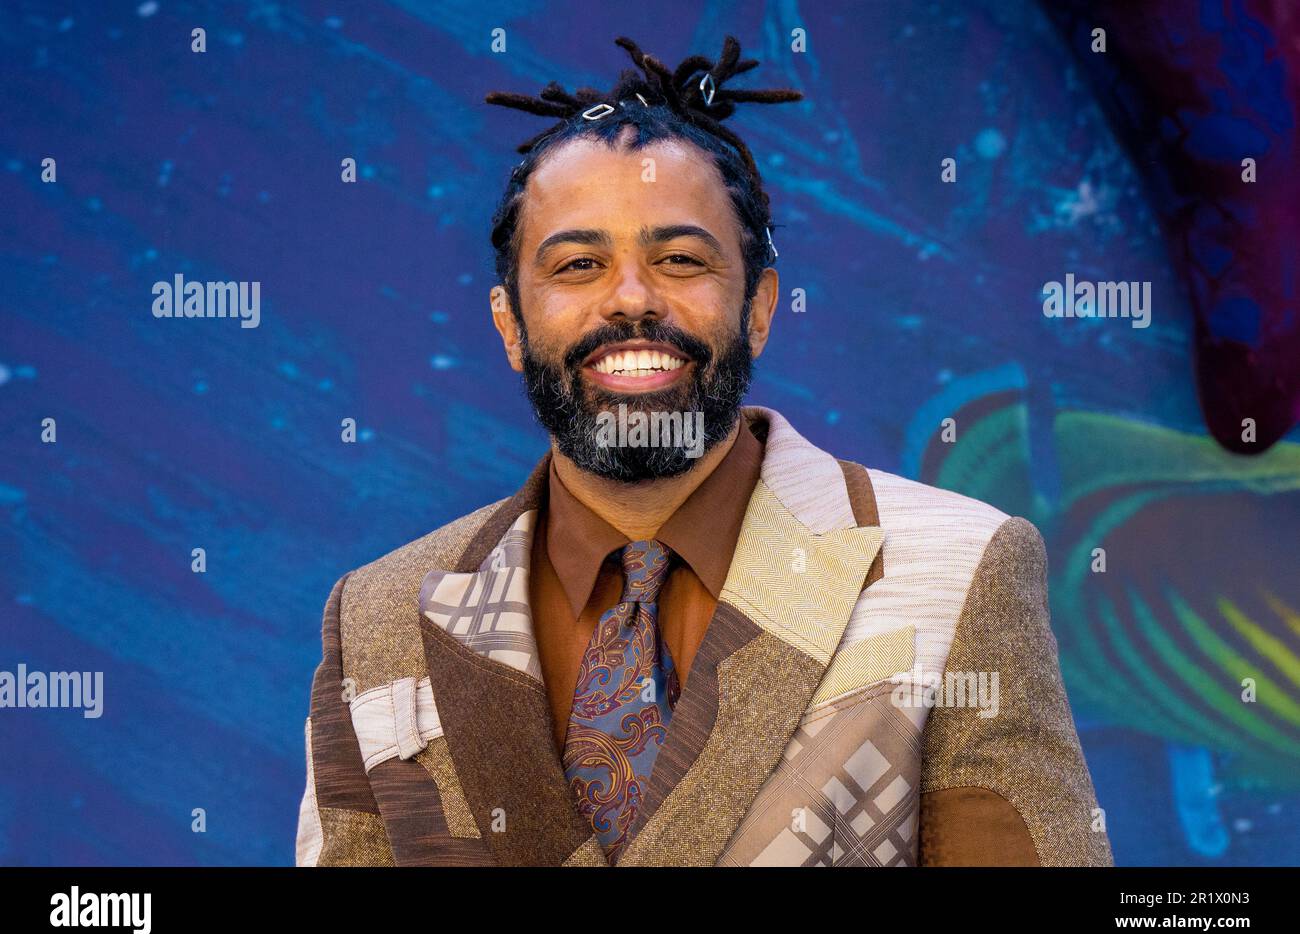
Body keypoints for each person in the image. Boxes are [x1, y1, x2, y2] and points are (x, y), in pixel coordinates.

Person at [294, 35, 1113, 867]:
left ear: (758, 307)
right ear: (509, 325)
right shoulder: (380, 617)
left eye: (679, 259)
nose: (632, 300)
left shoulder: (962, 567)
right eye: (579, 264)